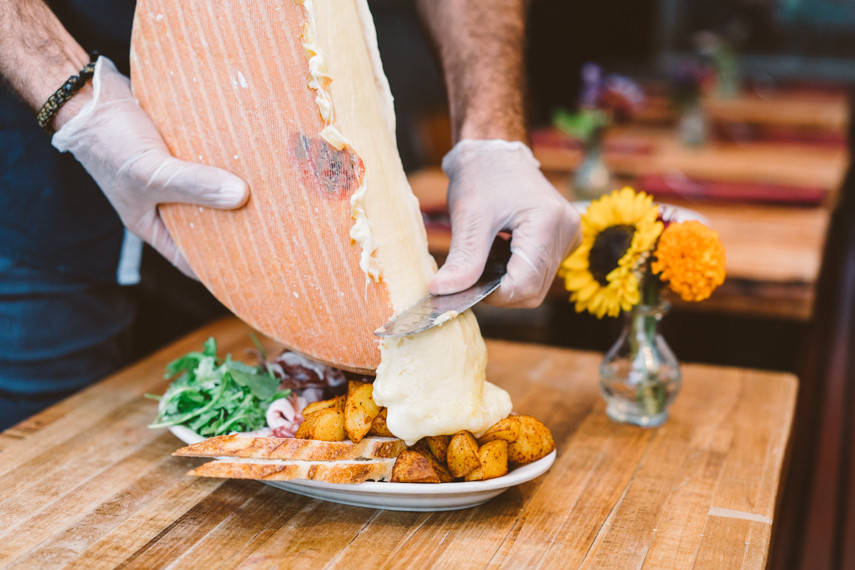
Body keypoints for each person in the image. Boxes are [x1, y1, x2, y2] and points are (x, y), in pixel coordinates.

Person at [0, 0, 581, 430]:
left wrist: (492, 135)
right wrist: (77, 108)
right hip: (39, 170)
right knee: (62, 475)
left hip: (285, 177)